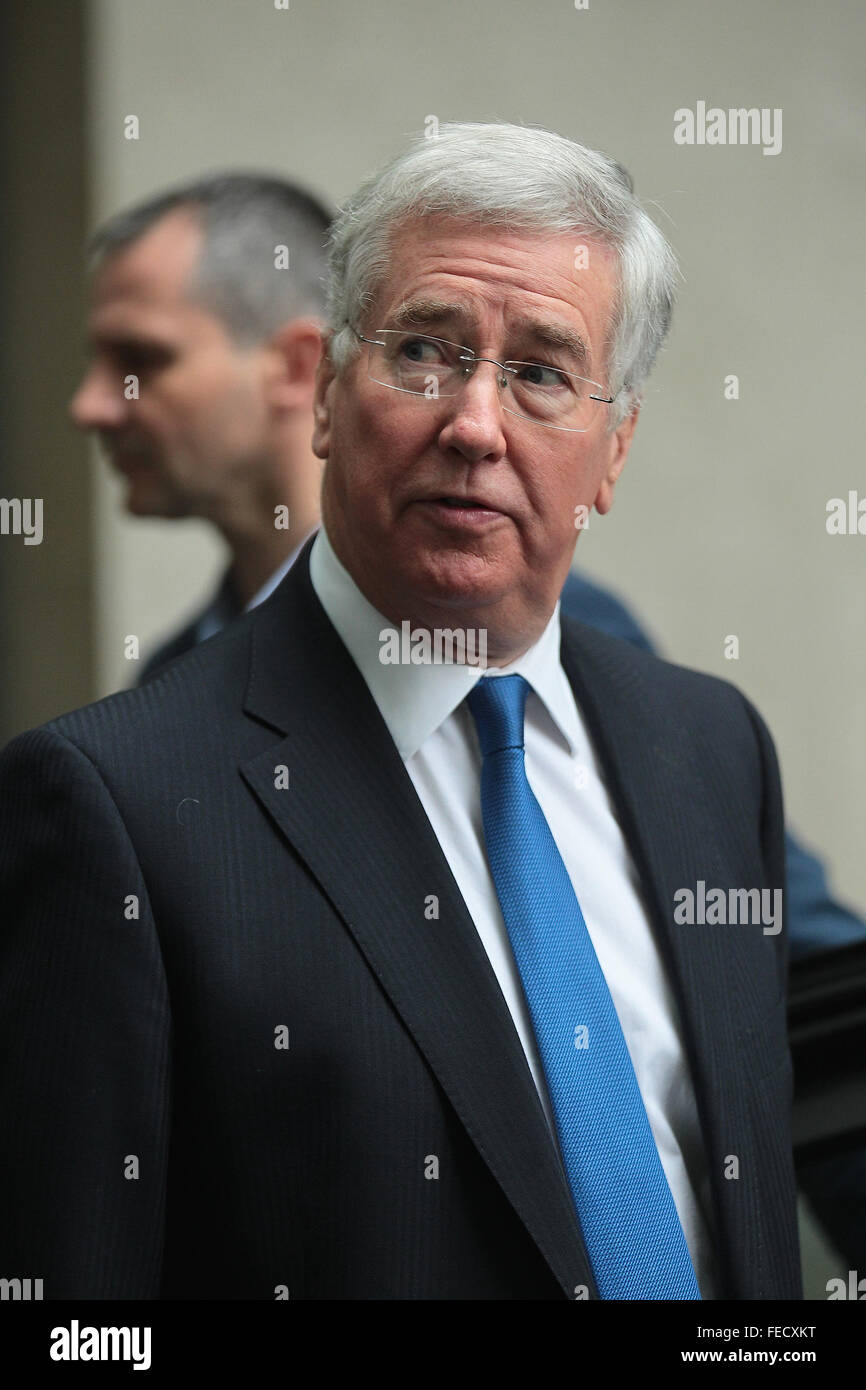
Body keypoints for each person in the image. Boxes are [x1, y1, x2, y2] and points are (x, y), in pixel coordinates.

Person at [0, 122, 803, 1299]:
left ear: (614, 448)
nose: (473, 424)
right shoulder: (116, 803)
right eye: (423, 351)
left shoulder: (710, 747)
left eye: (540, 372)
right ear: (326, 394)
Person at [69, 173, 331, 678]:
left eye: (140, 359)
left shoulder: (432, 639)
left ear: (298, 367)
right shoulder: (168, 680)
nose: (89, 407)